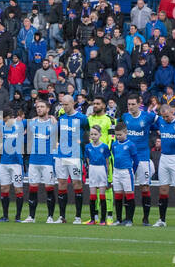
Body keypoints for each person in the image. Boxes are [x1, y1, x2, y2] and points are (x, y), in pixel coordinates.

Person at [120, 94, 157, 226]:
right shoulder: (125, 117)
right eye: (128, 104)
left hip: (142, 158)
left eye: (133, 104)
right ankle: (128, 218)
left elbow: (162, 122)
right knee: (128, 189)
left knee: (144, 187)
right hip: (128, 158)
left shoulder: (148, 116)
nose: (130, 107)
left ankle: (145, 218)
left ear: (139, 103)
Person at [154, 101, 175, 227]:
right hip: (164, 158)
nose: (165, 119)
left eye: (167, 116)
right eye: (163, 117)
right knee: (163, 189)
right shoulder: (161, 122)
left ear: (172, 112)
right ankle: (162, 220)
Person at [54, 94, 87, 223]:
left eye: (66, 104)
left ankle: (78, 217)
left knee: (76, 184)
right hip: (61, 155)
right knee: (61, 184)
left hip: (74, 155)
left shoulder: (82, 118)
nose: (64, 107)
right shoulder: (61, 118)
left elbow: (88, 133)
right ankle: (62, 216)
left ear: (73, 104)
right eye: (62, 104)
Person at [25, 99, 58, 223]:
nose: (39, 109)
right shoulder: (32, 122)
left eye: (42, 106)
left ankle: (50, 217)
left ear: (48, 109)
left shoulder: (53, 122)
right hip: (34, 160)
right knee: (33, 188)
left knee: (49, 188)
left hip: (47, 161)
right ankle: (31, 216)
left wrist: (52, 117)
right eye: (37, 107)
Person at [108, 123, 141, 226]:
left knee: (129, 195)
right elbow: (114, 156)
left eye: (120, 135)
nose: (118, 137)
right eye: (117, 135)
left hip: (127, 171)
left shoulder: (130, 145)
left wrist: (131, 171)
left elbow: (136, 161)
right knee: (117, 196)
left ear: (125, 133)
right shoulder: (114, 144)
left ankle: (129, 219)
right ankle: (118, 219)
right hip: (116, 171)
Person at [0, 111, 26, 222]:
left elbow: (37, 121)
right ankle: (5, 216)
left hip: (16, 163)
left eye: (6, 118)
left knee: (18, 189)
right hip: (4, 162)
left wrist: (52, 117)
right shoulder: (2, 127)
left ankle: (18, 216)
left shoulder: (20, 125)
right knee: (4, 188)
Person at [83, 125, 111, 225]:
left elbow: (107, 162)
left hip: (101, 171)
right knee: (92, 196)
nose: (93, 136)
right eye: (92, 134)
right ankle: (93, 219)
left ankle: (103, 219)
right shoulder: (88, 147)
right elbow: (87, 160)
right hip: (92, 170)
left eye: (95, 134)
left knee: (102, 196)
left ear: (100, 135)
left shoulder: (104, 147)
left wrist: (107, 175)